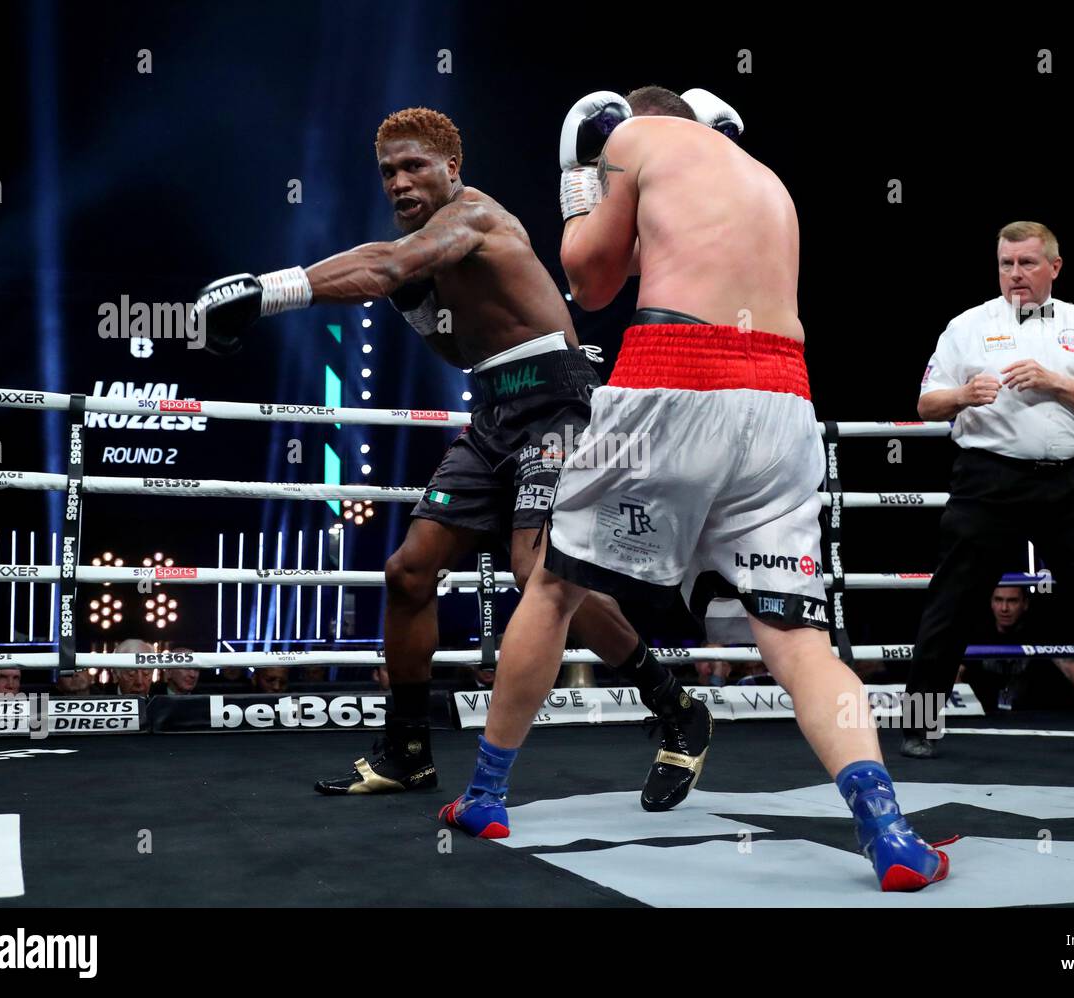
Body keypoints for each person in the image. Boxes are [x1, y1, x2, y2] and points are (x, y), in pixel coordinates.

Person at [440, 86, 948, 892]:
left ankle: (486, 795)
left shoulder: (635, 142)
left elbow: (591, 282)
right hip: (784, 403)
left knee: (555, 586)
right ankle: (889, 833)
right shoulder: (762, 177)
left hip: (674, 380)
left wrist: (580, 179)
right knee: (797, 641)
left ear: (638, 120)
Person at [193, 106, 709, 808]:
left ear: (451, 170)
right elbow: (453, 338)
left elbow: (385, 263)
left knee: (537, 569)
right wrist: (411, 304)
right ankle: (407, 749)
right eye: (388, 172)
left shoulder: (475, 216)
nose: (400, 182)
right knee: (409, 572)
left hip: (557, 404)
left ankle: (675, 705)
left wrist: (265, 293)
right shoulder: (431, 256)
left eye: (414, 167)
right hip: (495, 411)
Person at [900, 221, 1074, 762]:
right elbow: (926, 405)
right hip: (988, 478)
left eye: (1025, 263)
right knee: (951, 602)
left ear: (1054, 266)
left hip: (1066, 481)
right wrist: (962, 394)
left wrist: (1057, 382)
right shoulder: (968, 325)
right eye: (1006, 264)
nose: (1015, 275)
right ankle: (919, 725)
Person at [958, 584, 1074, 712]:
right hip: (986, 714)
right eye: (998, 600)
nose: (1004, 608)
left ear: (1025, 604)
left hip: (1032, 713)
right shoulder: (978, 631)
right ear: (991, 603)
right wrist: (960, 708)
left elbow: (1069, 667)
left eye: (1012, 601)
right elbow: (956, 672)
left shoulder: (1039, 629)